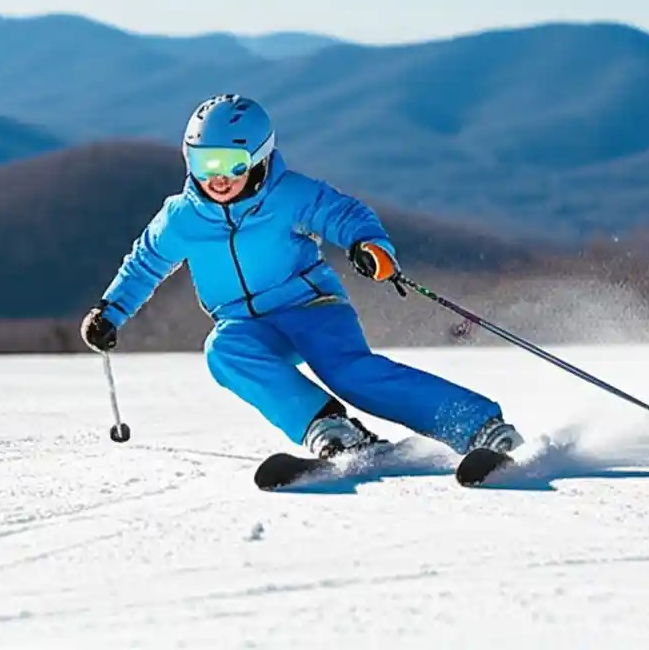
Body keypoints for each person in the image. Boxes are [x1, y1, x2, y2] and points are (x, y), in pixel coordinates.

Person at [79, 94, 523, 459]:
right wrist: (110, 311)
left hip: (310, 309)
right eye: (203, 163)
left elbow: (345, 215)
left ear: (257, 157)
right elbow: (145, 262)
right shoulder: (181, 217)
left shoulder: (288, 194)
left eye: (230, 164)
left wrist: (369, 247)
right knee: (224, 351)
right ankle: (330, 427)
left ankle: (479, 427)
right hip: (247, 323)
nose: (216, 178)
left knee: (348, 372)